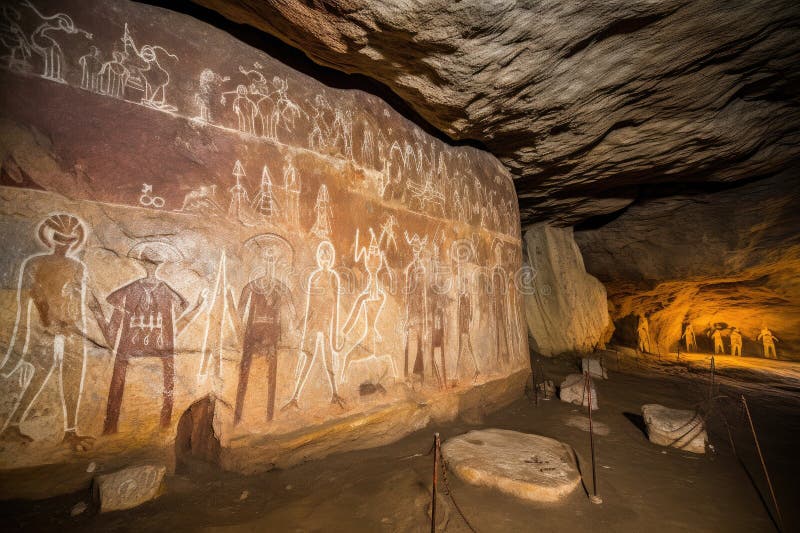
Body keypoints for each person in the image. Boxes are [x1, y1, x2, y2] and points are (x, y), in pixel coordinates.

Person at [1, 214, 93, 450]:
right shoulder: (36, 262)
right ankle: (11, 426)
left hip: (71, 327)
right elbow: (33, 296)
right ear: (51, 237)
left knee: (73, 377)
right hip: (44, 327)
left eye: (70, 239)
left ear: (74, 241)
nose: (64, 243)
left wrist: (77, 328)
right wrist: (46, 321)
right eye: (60, 238)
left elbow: (78, 300)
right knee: (40, 373)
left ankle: (70, 431)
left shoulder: (77, 266)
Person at [92, 242, 204, 435]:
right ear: (142, 263)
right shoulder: (131, 289)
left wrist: (197, 308)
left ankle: (164, 423)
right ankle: (110, 425)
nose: (152, 266)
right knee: (121, 371)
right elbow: (115, 324)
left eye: (155, 262)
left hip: (159, 342)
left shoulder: (165, 290)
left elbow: (176, 320)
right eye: (148, 261)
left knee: (167, 376)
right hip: (132, 340)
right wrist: (97, 313)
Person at [234, 246, 294, 424]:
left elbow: (292, 310)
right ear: (260, 262)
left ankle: (269, 416)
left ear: (276, 263)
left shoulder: (282, 288)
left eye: (272, 259)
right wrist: (237, 332)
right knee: (244, 373)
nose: (269, 263)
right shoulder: (252, 286)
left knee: (272, 376)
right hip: (252, 333)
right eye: (266, 259)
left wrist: (293, 329)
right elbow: (240, 310)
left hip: (272, 334)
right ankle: (237, 416)